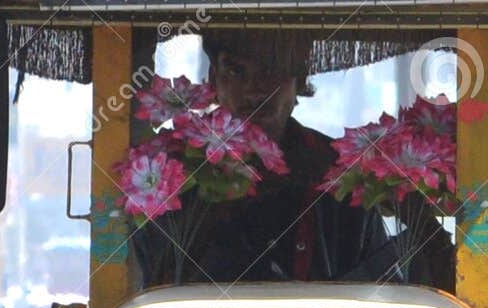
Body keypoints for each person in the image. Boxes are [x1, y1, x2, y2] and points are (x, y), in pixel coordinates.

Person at [132, 29, 455, 289]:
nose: (255, 89)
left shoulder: (343, 169)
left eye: (273, 70)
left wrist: (415, 212)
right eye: (237, 70)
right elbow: (155, 280)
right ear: (214, 80)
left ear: (299, 80)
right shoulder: (172, 172)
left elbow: (382, 288)